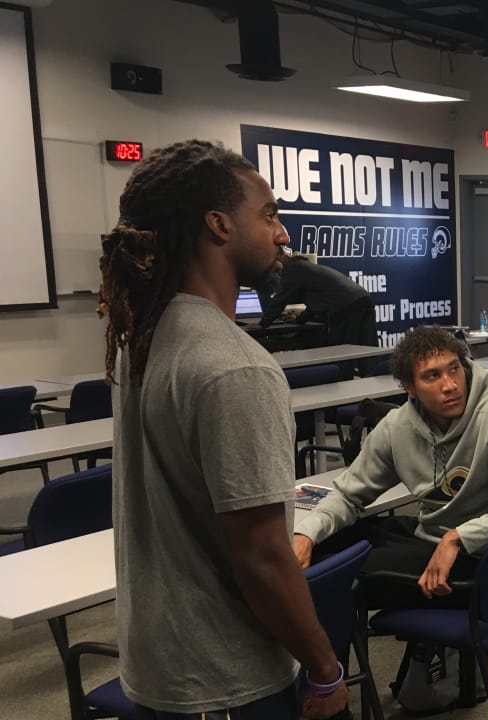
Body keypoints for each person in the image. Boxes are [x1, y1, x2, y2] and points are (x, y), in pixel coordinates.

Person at [99, 140, 348, 719]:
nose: (282, 233)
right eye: (268, 215)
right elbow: (261, 559)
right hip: (226, 680)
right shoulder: (234, 366)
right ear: (218, 225)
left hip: (158, 665)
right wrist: (324, 669)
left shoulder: (142, 336)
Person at [291, 324, 488, 610]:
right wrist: (307, 533)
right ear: (410, 387)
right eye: (432, 376)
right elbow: (348, 495)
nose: (450, 385)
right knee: (323, 544)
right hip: (430, 535)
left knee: (332, 573)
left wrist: (459, 537)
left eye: (454, 369)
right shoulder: (397, 427)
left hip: (485, 552)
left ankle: (325, 652)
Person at [257, 253, 377, 375]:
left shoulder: (292, 269)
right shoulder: (304, 267)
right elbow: (316, 303)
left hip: (345, 307)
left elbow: (280, 299)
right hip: (363, 299)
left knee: (342, 354)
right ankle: (372, 387)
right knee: (367, 351)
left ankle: (342, 386)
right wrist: (300, 319)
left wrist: (262, 324)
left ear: (281, 259)